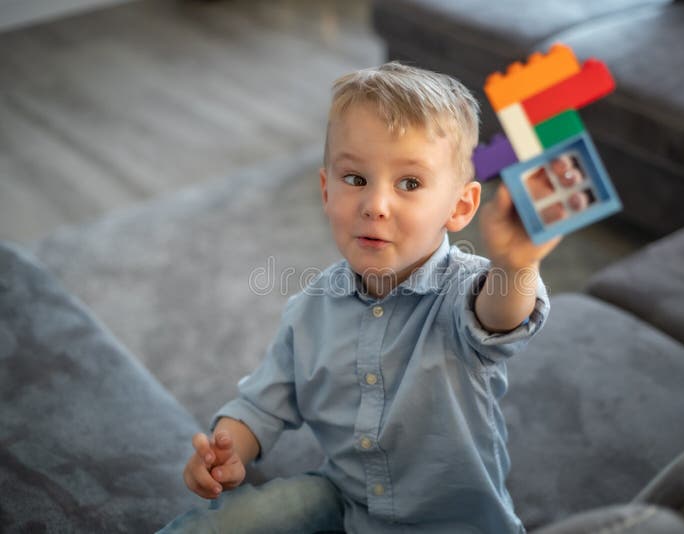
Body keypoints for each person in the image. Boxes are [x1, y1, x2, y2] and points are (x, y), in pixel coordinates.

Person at [160, 62, 562, 534]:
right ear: (326, 190)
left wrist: (516, 265)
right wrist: (226, 449)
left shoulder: (466, 291)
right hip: (347, 500)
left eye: (409, 183)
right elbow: (262, 404)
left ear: (460, 206)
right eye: (355, 179)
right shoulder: (310, 310)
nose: (375, 205)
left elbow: (500, 317)